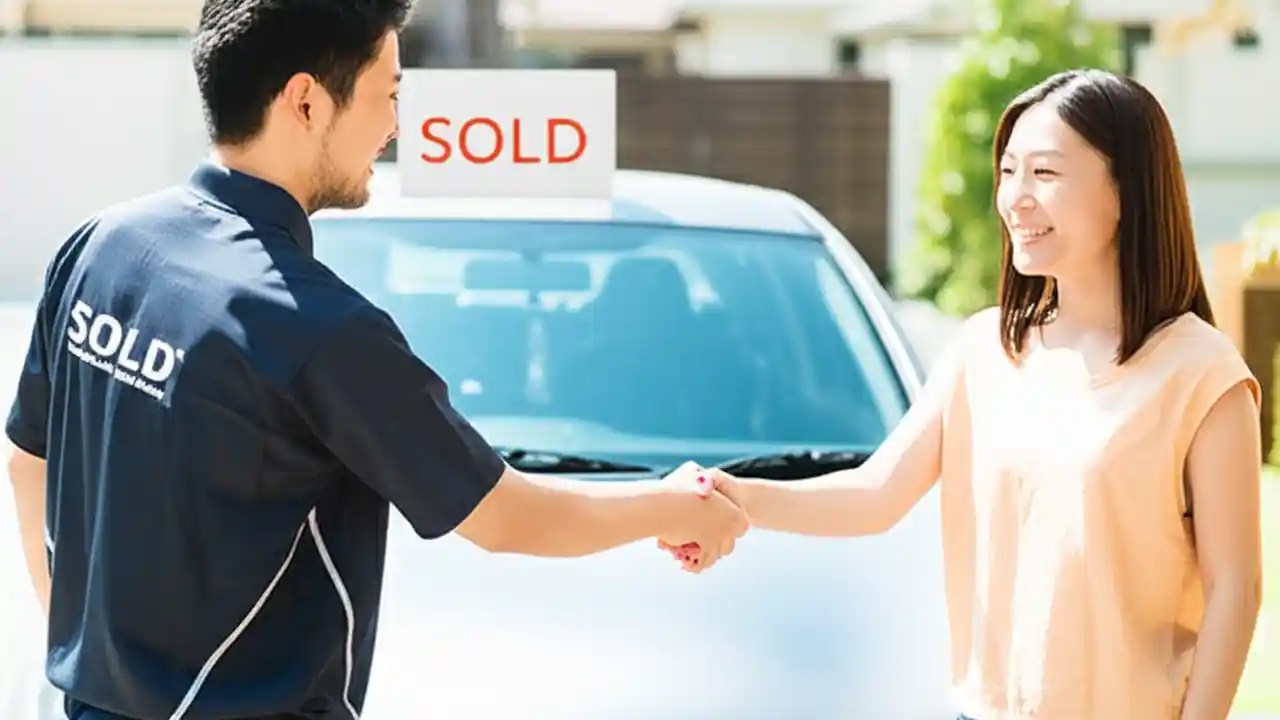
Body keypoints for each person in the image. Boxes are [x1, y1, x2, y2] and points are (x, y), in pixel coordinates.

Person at [3, 1, 747, 718]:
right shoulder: (316, 327)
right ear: (305, 101)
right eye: (387, 93)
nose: (394, 125)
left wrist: (77, 649)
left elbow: (24, 457)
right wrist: (673, 505)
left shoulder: (98, 247)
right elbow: (505, 516)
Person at [671, 69, 1264, 720]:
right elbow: (873, 496)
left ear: (1127, 188)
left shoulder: (1202, 374)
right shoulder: (985, 350)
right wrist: (731, 496)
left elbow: (1234, 588)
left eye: (1045, 173)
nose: (1016, 198)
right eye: (1008, 172)